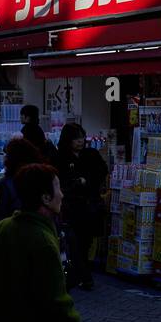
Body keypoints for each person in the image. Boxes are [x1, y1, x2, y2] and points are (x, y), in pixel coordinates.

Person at [0, 162, 94, 322]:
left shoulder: (0, 229)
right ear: (46, 198)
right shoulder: (43, 241)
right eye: (58, 188)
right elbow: (58, 304)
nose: (62, 194)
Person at [54, 122, 108, 290]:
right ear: (67, 139)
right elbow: (57, 179)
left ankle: (79, 273)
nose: (80, 141)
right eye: (76, 138)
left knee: (85, 242)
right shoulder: (59, 157)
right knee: (73, 241)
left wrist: (87, 180)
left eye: (82, 137)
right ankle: (84, 276)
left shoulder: (91, 154)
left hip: (89, 206)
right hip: (70, 206)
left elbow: (102, 171)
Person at [0, 137, 43, 224]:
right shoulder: (39, 179)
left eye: (7, 155)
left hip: (11, 231)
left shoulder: (7, 183)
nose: (4, 158)